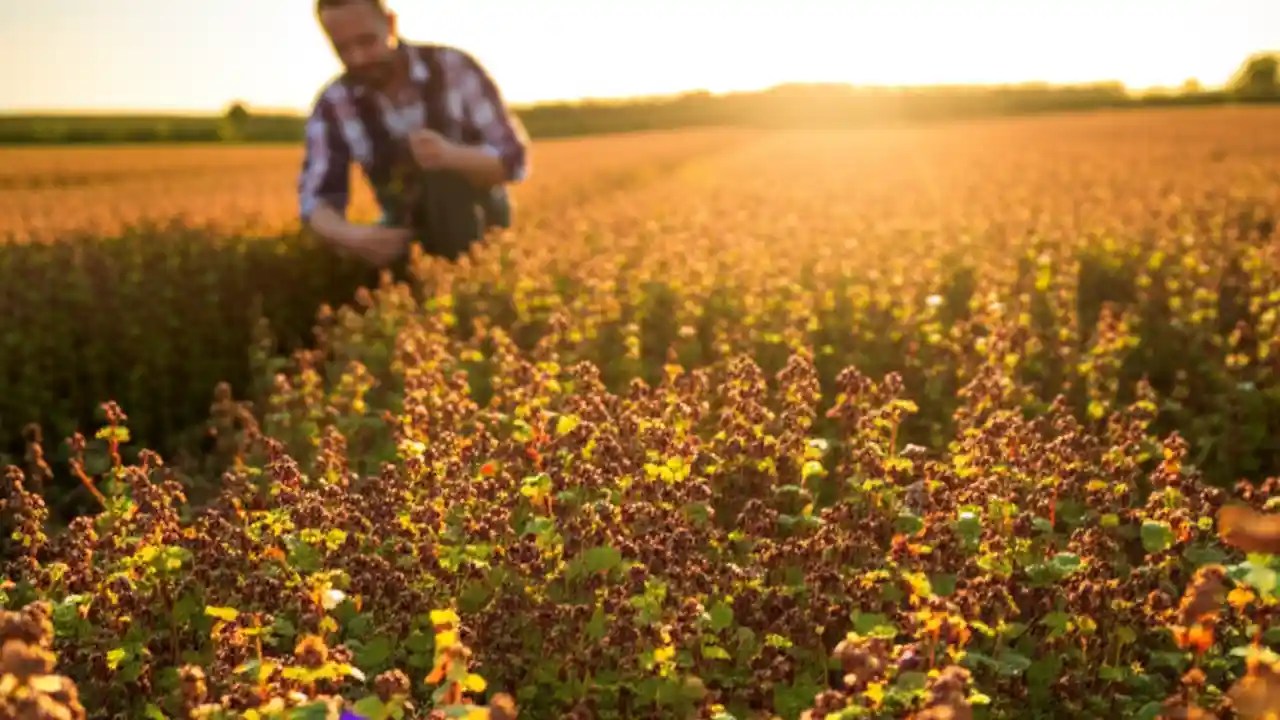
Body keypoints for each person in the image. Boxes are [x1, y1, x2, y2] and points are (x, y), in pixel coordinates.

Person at [298, 0, 531, 277]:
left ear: (391, 24)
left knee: (445, 188)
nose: (358, 57)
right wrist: (354, 237)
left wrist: (451, 156)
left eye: (367, 42)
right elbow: (317, 201)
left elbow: (514, 161)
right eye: (343, 49)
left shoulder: (452, 68)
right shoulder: (334, 104)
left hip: (483, 228)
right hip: (402, 229)